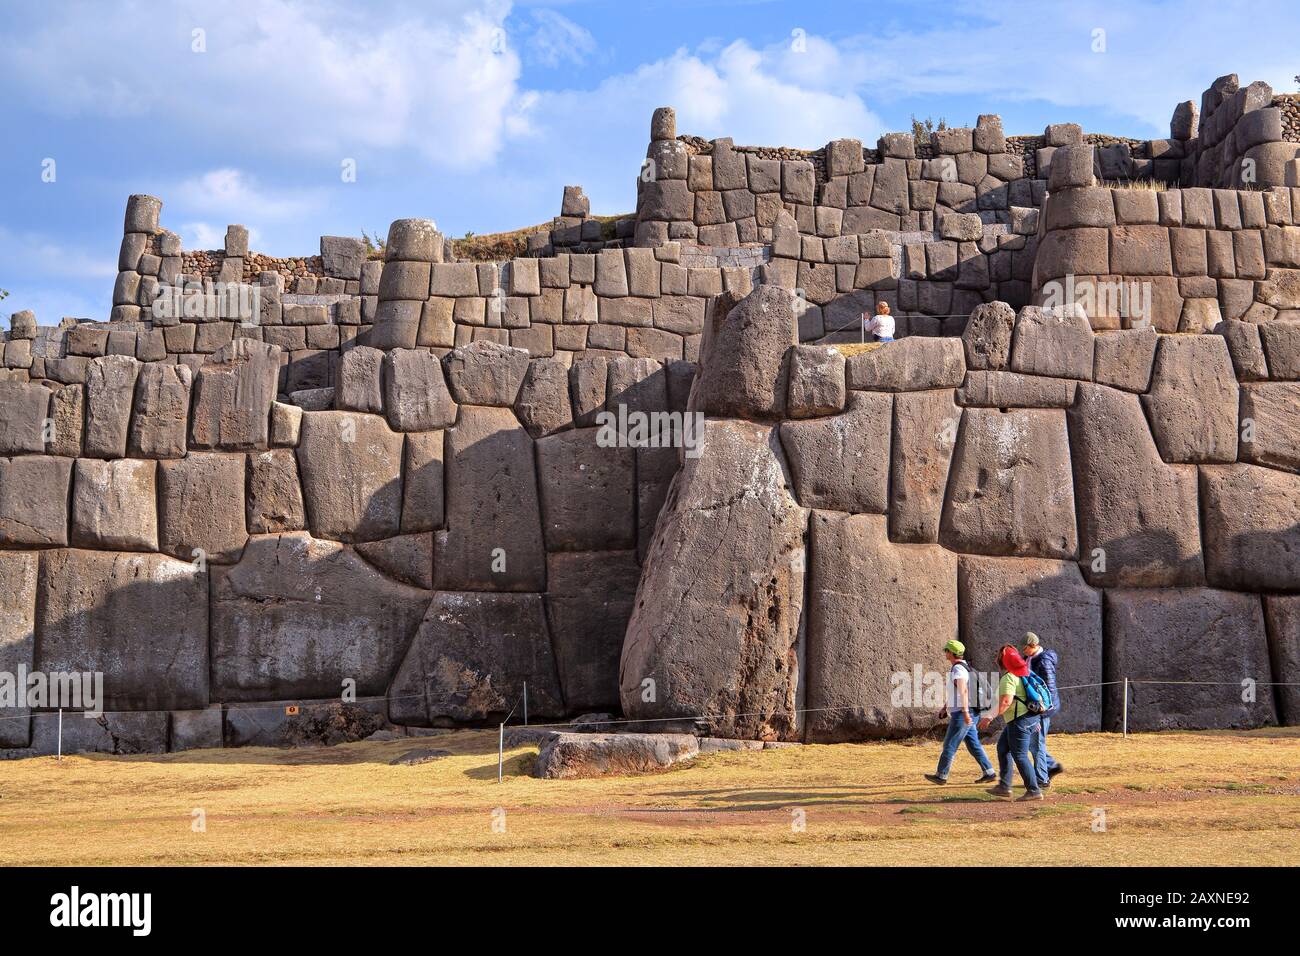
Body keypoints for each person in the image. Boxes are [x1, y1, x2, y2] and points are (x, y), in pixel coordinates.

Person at [978, 644, 1044, 801]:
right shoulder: (1023, 674)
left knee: (1020, 755)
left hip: (1020, 721)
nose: (996, 659)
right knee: (1003, 748)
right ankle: (1004, 786)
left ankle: (1034, 790)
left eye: (999, 657)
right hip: (1026, 718)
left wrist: (989, 717)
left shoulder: (1009, 677)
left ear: (1005, 661)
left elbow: (1006, 702)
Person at [925, 639, 995, 785]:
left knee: (950, 744)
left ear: (950, 653)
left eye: (946, 651)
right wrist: (945, 707)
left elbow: (963, 691)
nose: (945, 653)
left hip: (964, 713)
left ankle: (941, 775)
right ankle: (989, 772)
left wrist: (965, 712)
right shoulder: (964, 667)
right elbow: (955, 692)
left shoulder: (958, 669)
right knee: (973, 743)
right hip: (967, 711)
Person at [1022, 631, 1064, 787]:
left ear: (1033, 645)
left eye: (1025, 648)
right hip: (1034, 707)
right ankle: (1050, 766)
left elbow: (1049, 687)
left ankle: (1042, 779)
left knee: (1036, 744)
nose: (1023, 650)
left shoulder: (1044, 662)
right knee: (1033, 743)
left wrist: (1043, 709)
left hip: (1042, 708)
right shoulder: (1029, 658)